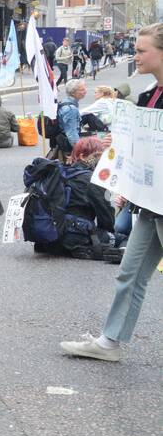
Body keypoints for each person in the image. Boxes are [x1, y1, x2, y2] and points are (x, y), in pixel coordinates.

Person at [60, 23, 163, 363]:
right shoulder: (149, 93)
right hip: (150, 201)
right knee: (129, 273)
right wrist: (116, 145)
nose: (135, 56)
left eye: (141, 50)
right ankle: (109, 342)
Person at [56, 79, 87, 155]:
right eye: (82, 89)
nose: (85, 91)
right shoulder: (71, 109)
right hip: (68, 149)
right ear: (73, 92)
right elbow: (72, 134)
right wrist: (80, 152)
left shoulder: (65, 102)